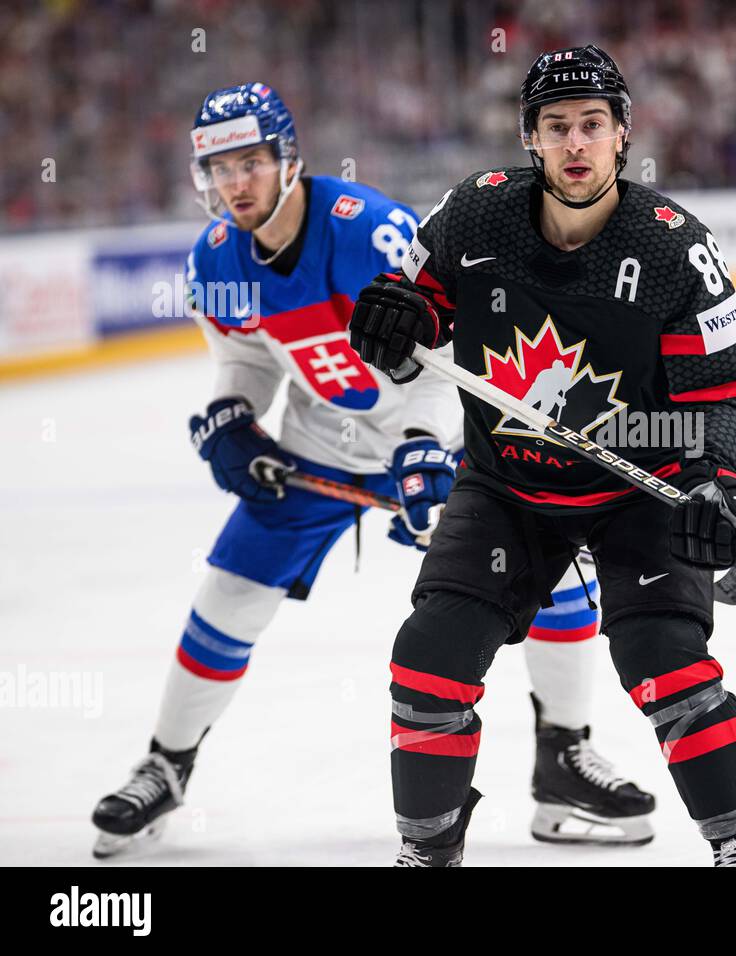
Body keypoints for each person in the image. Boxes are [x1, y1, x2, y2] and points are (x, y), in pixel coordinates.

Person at [90, 82, 652, 859]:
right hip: (323, 438)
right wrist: (233, 416)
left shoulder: (371, 232)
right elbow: (247, 356)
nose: (235, 184)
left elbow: (453, 348)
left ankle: (561, 756)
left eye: (250, 163)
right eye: (219, 170)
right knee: (231, 591)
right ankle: (167, 763)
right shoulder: (215, 258)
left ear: (290, 159)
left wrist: (425, 445)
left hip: (441, 431)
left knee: (552, 573)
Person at [349, 45, 736, 867]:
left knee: (666, 663)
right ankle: (428, 852)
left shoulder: (673, 247)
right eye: (555, 128)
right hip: (506, 484)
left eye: (591, 125)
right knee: (429, 660)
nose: (575, 144)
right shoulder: (474, 214)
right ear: (530, 140)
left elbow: (725, 392)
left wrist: (720, 485)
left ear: (622, 135)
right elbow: (416, 319)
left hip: (643, 487)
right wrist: (393, 322)